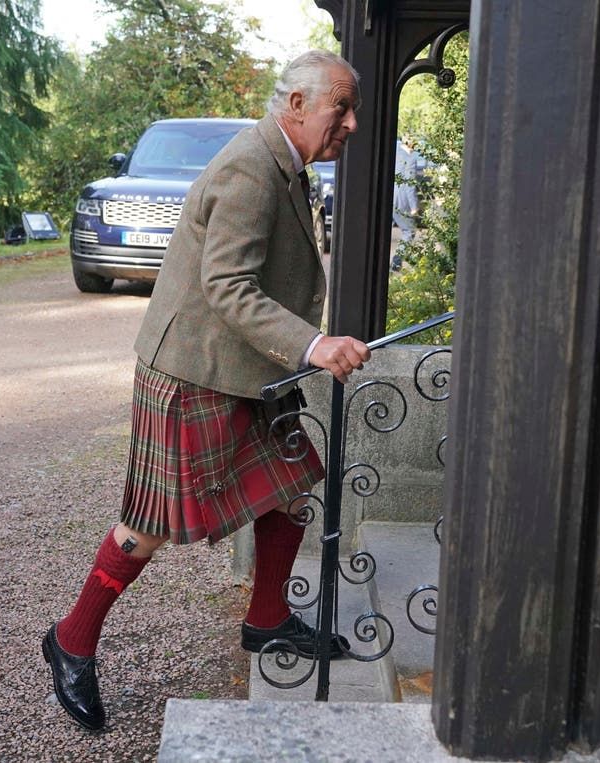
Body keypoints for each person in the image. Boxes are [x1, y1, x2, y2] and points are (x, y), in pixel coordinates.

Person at [42, 50, 371, 731]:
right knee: (148, 525)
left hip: (246, 367)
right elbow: (227, 287)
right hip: (193, 372)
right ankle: (70, 641)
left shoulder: (284, 159)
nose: (352, 123)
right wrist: (314, 344)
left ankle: (268, 618)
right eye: (341, 107)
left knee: (289, 483)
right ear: (298, 105)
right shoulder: (251, 168)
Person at [391, 136, 420, 270]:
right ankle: (396, 261)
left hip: (390, 196)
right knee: (408, 231)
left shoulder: (394, 151)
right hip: (400, 200)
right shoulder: (411, 157)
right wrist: (414, 206)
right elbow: (409, 184)